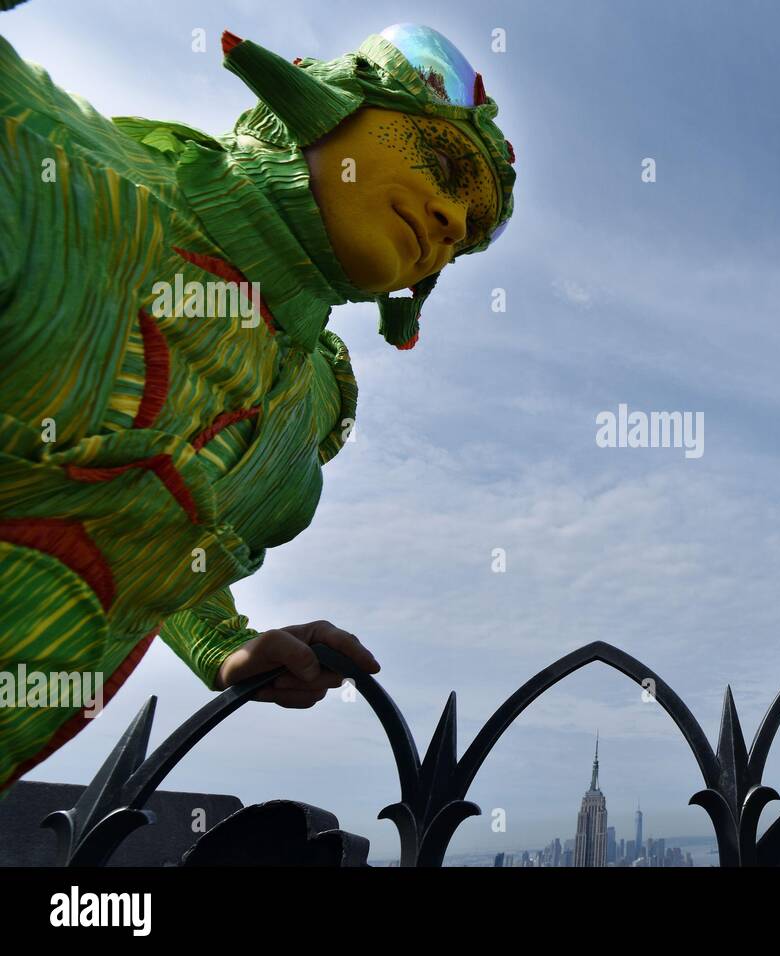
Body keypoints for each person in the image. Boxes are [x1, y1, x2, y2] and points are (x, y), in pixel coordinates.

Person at [0, 18, 515, 790]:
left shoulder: (305, 402)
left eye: (471, 226)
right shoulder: (62, 173)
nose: (449, 222)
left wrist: (220, 642)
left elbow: (153, 526)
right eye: (438, 162)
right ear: (320, 108)